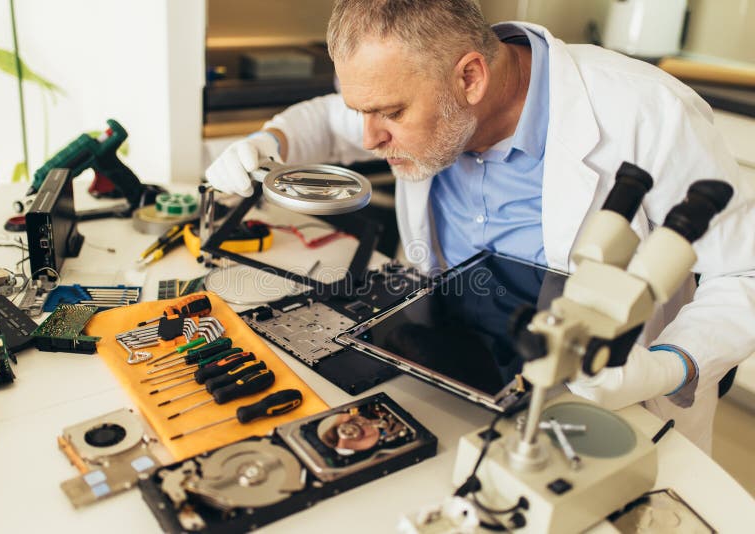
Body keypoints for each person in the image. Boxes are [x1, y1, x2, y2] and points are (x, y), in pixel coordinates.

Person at [205, 0, 755, 452]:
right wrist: (268, 143)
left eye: (391, 114)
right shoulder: (419, 87)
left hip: (597, 399)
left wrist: (664, 370)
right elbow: (331, 118)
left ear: (470, 77)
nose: (368, 138)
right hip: (441, 363)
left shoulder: (647, 112)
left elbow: (745, 274)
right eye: (364, 111)